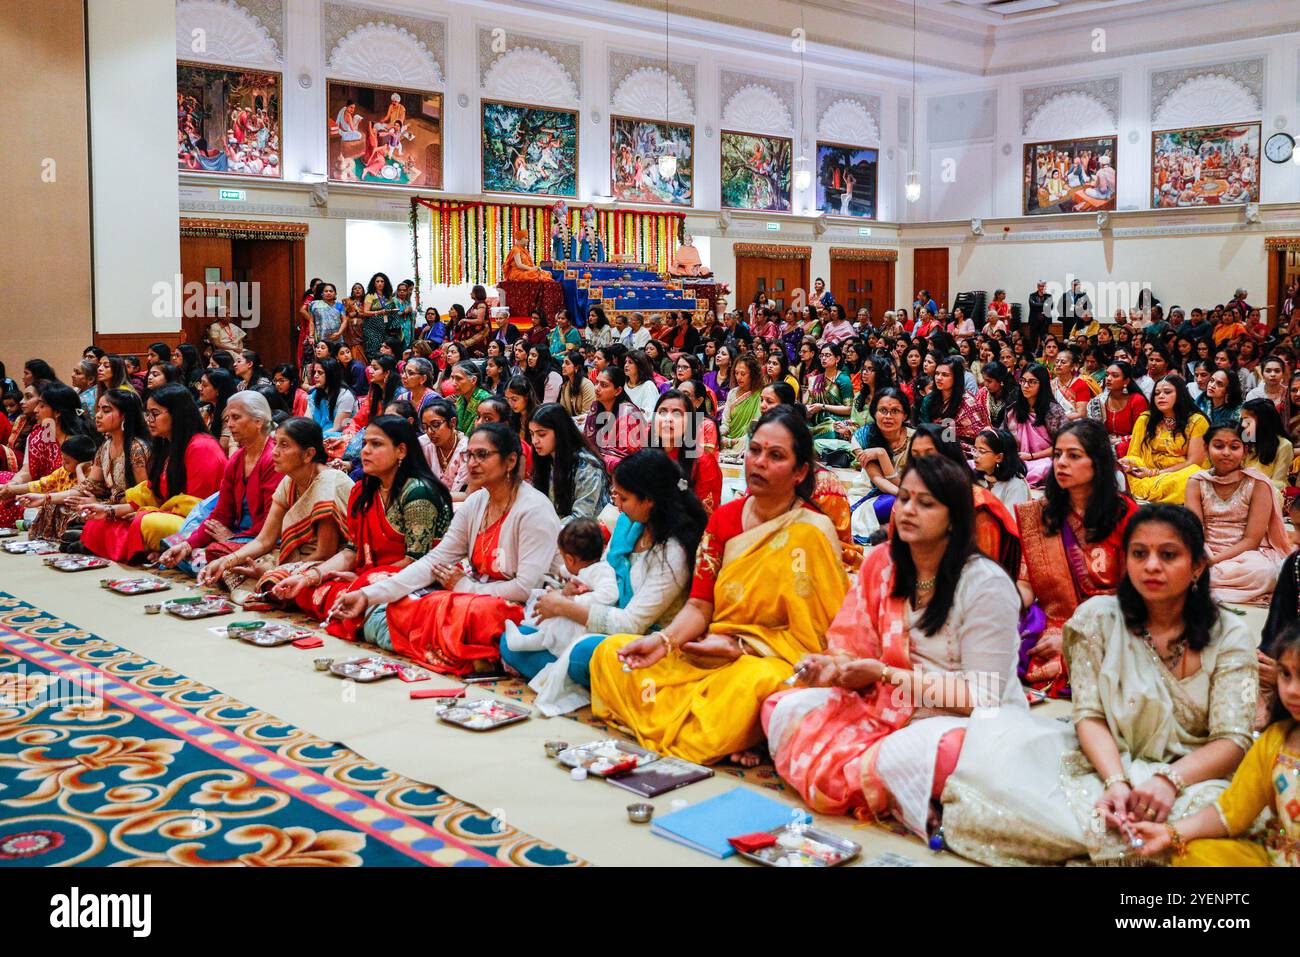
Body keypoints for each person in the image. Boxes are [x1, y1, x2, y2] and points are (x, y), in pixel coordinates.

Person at [942, 504, 1257, 865]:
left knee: (1219, 819)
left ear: (1198, 565)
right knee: (994, 786)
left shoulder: (1231, 636)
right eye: (1140, 554)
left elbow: (1233, 740)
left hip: (1195, 776)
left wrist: (1168, 781)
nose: (1151, 565)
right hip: (1106, 763)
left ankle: (1120, 837)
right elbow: (1089, 716)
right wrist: (1116, 783)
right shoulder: (1097, 619)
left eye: (1168, 555)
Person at [765, 454, 1022, 827]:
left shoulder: (986, 584)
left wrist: (886, 675)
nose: (908, 511)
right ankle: (904, 788)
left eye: (926, 503)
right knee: (780, 707)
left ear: (955, 517)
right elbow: (852, 646)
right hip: (882, 702)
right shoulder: (882, 564)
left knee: (944, 752)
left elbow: (982, 697)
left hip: (956, 717)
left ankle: (905, 781)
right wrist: (831, 667)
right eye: (903, 498)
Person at [588, 408, 849, 766]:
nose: (758, 462)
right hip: (711, 648)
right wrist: (665, 641)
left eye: (775, 456)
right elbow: (699, 606)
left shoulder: (813, 531)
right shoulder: (726, 519)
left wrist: (743, 648)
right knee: (611, 653)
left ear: (800, 471)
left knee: (750, 686)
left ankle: (721, 729)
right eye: (754, 450)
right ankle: (728, 732)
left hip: (770, 660)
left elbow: (822, 637)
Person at [331, 423, 563, 676]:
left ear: (510, 461)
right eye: (469, 455)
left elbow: (525, 588)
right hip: (475, 595)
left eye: (482, 455)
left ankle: (471, 651)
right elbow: (435, 560)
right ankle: (462, 650)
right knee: (408, 602)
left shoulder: (534, 510)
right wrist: (368, 595)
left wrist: (466, 587)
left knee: (471, 610)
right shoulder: (476, 502)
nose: (472, 463)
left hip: (525, 605)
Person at [507, 449, 706, 716]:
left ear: (649, 501)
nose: (617, 505)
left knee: (584, 652)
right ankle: (582, 677)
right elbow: (606, 575)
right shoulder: (629, 524)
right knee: (514, 641)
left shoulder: (673, 552)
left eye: (623, 498)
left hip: (646, 643)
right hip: (605, 622)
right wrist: (574, 590)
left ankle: (581, 675)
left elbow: (633, 623)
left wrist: (566, 608)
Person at [1129, 621, 1299, 866]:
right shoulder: (1274, 741)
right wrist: (1171, 832)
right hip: (1277, 856)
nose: (1292, 690)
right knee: (1194, 852)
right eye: (1285, 674)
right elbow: (1234, 810)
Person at [270, 416, 452, 640]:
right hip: (369, 575)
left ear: (401, 451)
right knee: (308, 588)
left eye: (376, 444)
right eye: (365, 443)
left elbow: (416, 562)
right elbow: (351, 551)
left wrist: (363, 580)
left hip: (411, 581)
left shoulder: (417, 493)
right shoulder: (362, 492)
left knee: (349, 594)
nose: (365, 451)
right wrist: (309, 577)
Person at [1014, 419, 1137, 698]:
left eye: (1074, 455)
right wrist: (1005, 602)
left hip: (1112, 618)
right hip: (1055, 618)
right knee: (1010, 644)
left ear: (1097, 462)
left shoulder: (1125, 514)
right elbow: (1026, 582)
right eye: (1057, 454)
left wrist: (1075, 638)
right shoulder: (1042, 515)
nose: (1061, 463)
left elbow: (1136, 594)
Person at [196, 417, 352, 605]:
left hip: (325, 563)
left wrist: (277, 569)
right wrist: (228, 560)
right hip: (293, 558)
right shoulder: (289, 481)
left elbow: (324, 553)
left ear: (308, 454)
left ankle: (272, 583)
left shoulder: (328, 482)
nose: (275, 452)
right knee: (222, 559)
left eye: (284, 445)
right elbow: (265, 540)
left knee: (279, 580)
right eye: (275, 443)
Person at [80, 384, 225, 562]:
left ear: (176, 414)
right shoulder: (167, 445)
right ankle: (144, 548)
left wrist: (148, 511)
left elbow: (198, 508)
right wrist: (110, 510)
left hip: (198, 524)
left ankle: (141, 549)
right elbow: (152, 492)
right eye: (147, 414)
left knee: (148, 522)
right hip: (167, 515)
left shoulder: (202, 447)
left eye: (155, 414)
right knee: (99, 521)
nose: (149, 419)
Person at [157, 391, 281, 578]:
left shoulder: (273, 459)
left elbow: (270, 526)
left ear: (258, 421)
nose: (230, 424)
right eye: (228, 418)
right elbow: (220, 514)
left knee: (210, 555)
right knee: (177, 547)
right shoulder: (237, 459)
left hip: (264, 539)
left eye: (236, 417)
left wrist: (232, 538)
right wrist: (187, 544)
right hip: (237, 535)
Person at [1185, 424, 1289, 605]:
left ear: (1245, 450)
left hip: (1246, 553)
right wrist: (1203, 556)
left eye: (1234, 447)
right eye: (1218, 446)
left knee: (1264, 573)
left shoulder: (1258, 483)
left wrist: (1212, 562)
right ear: (1206, 449)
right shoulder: (1196, 482)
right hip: (1206, 547)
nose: (1226, 452)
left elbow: (1252, 540)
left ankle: (1204, 584)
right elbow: (1193, 530)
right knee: (1179, 564)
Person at [502, 517, 618, 665]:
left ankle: (526, 642)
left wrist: (571, 602)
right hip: (572, 614)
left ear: (570, 559)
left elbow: (610, 595)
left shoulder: (602, 571)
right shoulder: (583, 567)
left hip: (584, 623)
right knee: (546, 606)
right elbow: (564, 571)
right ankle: (526, 639)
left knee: (557, 625)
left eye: (563, 558)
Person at [1120, 374, 1209, 504]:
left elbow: (1193, 462)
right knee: (1121, 470)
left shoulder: (1197, 421)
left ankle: (1149, 494)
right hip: (1146, 471)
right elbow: (1134, 454)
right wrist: (1129, 465)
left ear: (1180, 395)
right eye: (1157, 393)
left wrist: (1154, 474)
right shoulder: (1145, 419)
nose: (1161, 396)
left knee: (1193, 475)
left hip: (1178, 474)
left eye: (1167, 392)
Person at [528, 402, 609, 524]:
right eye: (531, 434)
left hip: (584, 534)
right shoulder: (545, 459)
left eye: (541, 434)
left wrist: (545, 528)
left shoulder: (587, 466)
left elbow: (582, 517)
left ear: (560, 432)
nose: (534, 441)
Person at [653, 390, 723, 514]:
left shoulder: (703, 462)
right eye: (662, 412)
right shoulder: (646, 456)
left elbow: (705, 515)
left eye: (677, 414)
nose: (668, 419)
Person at [1003, 363, 1068, 486]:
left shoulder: (1053, 411)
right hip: (1018, 458)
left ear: (1042, 385)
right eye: (1023, 381)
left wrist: (1031, 456)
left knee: (1046, 469)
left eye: (1032, 382)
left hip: (1043, 460)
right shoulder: (1013, 409)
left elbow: (1063, 445)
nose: (1025, 386)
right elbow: (1004, 437)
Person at [583, 367, 646, 470]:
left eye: (603, 385)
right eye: (596, 383)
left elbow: (632, 458)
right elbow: (588, 442)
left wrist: (600, 458)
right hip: (598, 468)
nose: (596, 388)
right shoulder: (595, 406)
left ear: (618, 391)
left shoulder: (629, 414)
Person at [1086, 361, 1147, 457]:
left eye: (1114, 376)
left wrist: (1118, 441)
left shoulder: (1137, 400)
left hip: (1131, 444)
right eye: (1107, 375)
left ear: (1126, 381)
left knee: (1120, 448)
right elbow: (1094, 430)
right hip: (1105, 443)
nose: (1108, 379)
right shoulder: (1099, 401)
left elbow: (1141, 433)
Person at [1240, 398, 1293, 504]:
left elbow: (1278, 482)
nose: (1243, 425)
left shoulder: (1284, 445)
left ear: (1263, 422)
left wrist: (1250, 489)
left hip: (1268, 494)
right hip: (1240, 491)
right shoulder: (1244, 439)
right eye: (1242, 420)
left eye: (1247, 420)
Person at [419, 398, 468, 499]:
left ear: (453, 423)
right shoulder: (423, 444)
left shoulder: (466, 449)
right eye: (425, 427)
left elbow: (465, 494)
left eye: (435, 425)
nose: (430, 431)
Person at [972, 428, 1029, 510]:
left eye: (981, 451)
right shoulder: (976, 478)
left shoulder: (1015, 485)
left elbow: (1011, 520)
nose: (975, 455)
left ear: (999, 457)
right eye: (974, 449)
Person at [717, 352, 763, 450]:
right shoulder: (732, 393)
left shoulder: (760, 395)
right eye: (736, 373)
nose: (738, 377)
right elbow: (726, 423)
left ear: (753, 374)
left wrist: (737, 441)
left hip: (747, 442)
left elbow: (756, 427)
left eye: (743, 374)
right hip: (729, 441)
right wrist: (719, 433)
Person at [557, 349, 595, 417]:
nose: (563, 366)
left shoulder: (587, 385)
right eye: (563, 362)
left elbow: (587, 415)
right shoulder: (565, 386)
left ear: (576, 367)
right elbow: (563, 411)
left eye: (567, 363)